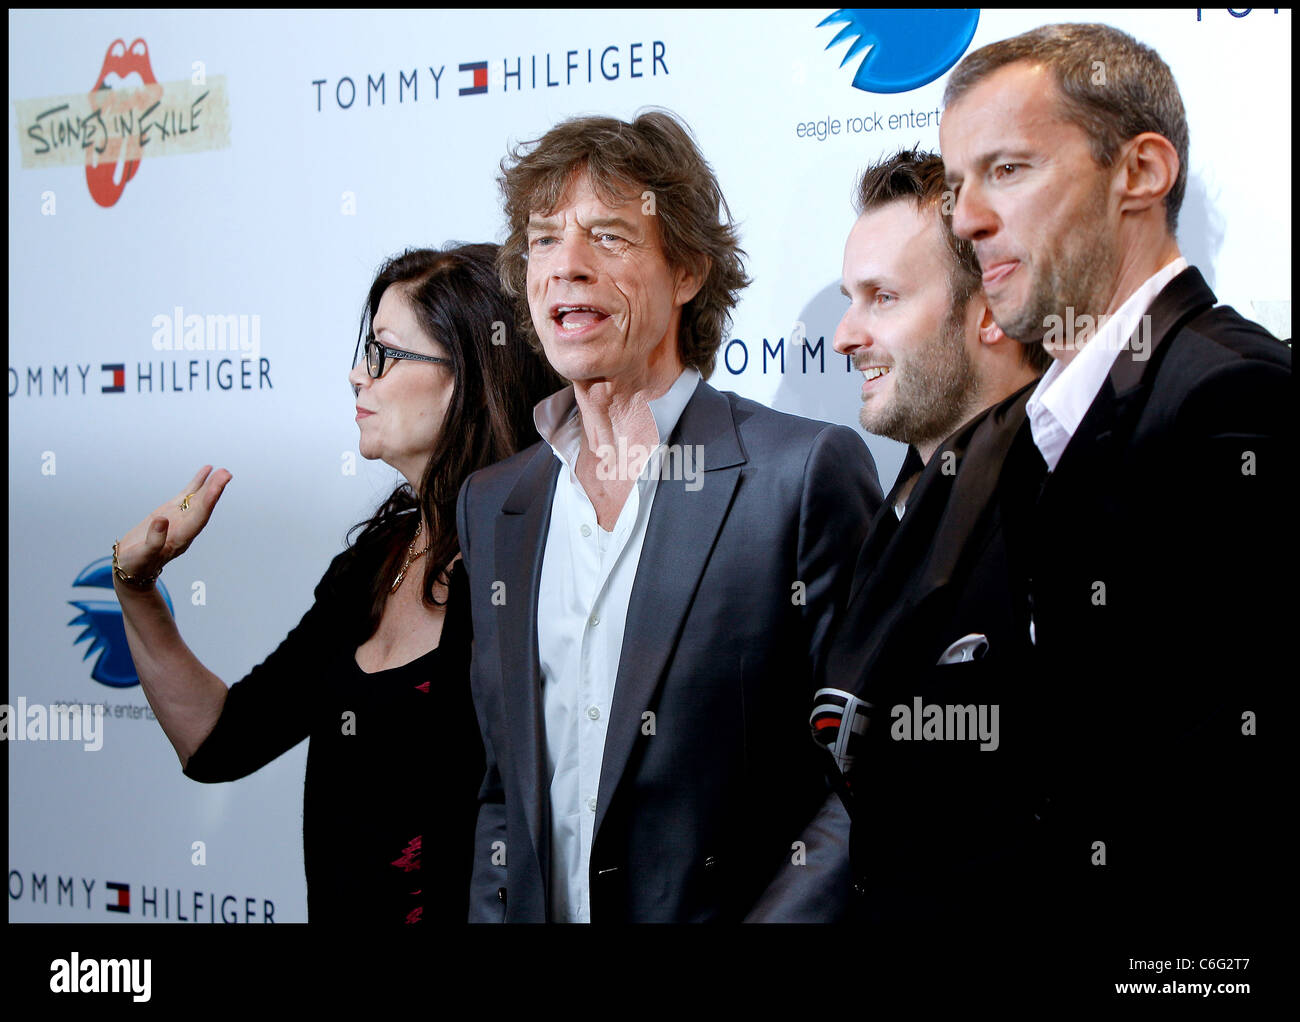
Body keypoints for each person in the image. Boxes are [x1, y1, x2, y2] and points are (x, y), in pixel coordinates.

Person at [456, 109, 883, 922]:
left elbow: (869, 775)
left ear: (686, 270)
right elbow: (504, 797)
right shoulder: (496, 504)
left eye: (609, 237)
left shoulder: (798, 476)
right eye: (544, 239)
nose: (566, 269)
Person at [926, 22, 1288, 937]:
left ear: (1141, 172)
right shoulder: (1033, 429)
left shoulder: (1232, 396)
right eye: (958, 184)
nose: (966, 217)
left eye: (1007, 170)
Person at [111, 244, 562, 923]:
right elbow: (218, 740)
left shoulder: (538, 562)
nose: (358, 375)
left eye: (386, 354)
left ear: (468, 375)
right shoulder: (377, 562)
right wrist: (137, 586)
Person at [810, 149, 1050, 923]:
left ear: (990, 307)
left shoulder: (1062, 496)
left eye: (881, 297)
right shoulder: (903, 502)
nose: (845, 335)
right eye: (852, 298)